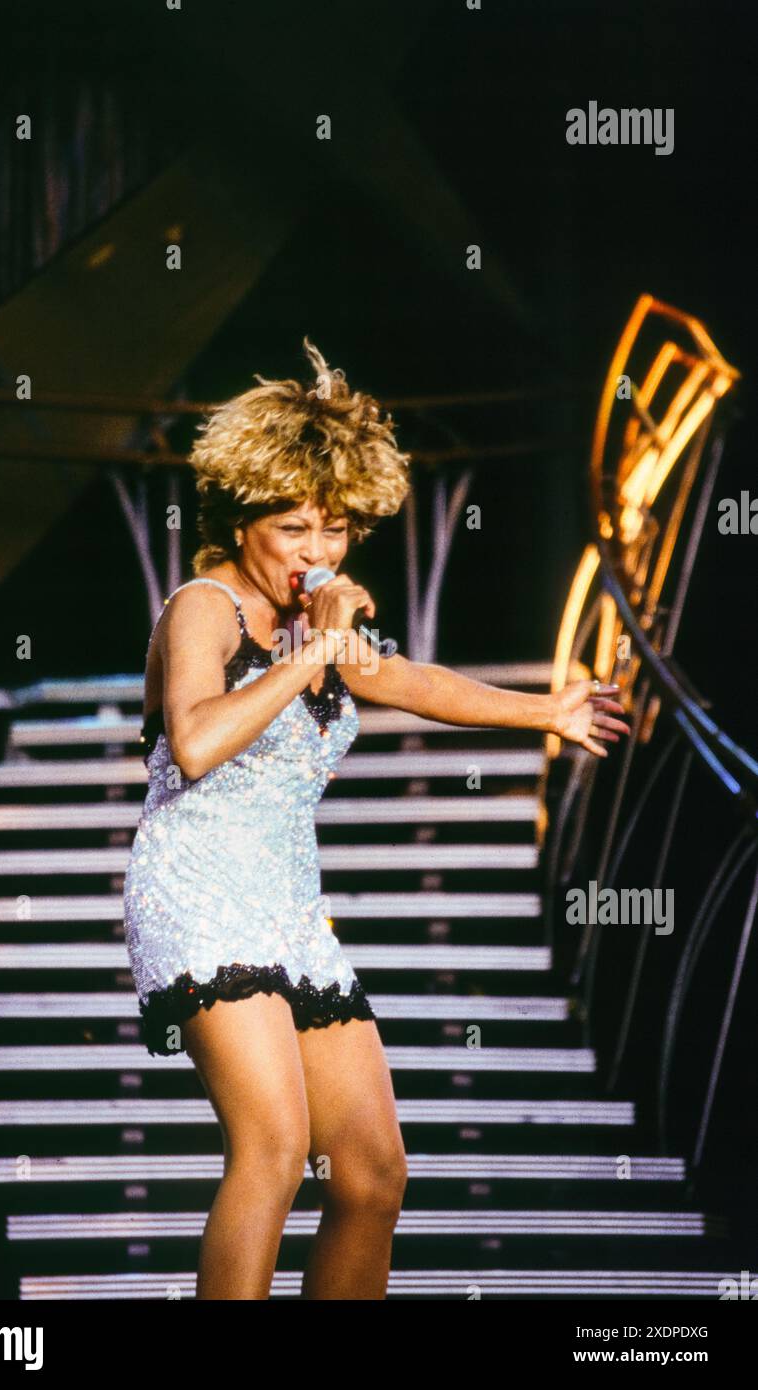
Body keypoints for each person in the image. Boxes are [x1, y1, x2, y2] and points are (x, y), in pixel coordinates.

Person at [122, 338, 628, 1300]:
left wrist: (547, 709)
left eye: (338, 531)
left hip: (289, 908)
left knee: (370, 1173)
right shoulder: (207, 605)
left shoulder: (314, 627)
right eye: (295, 529)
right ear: (243, 519)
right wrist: (310, 657)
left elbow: (410, 680)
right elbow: (192, 741)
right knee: (272, 1151)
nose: (318, 555)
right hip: (196, 894)